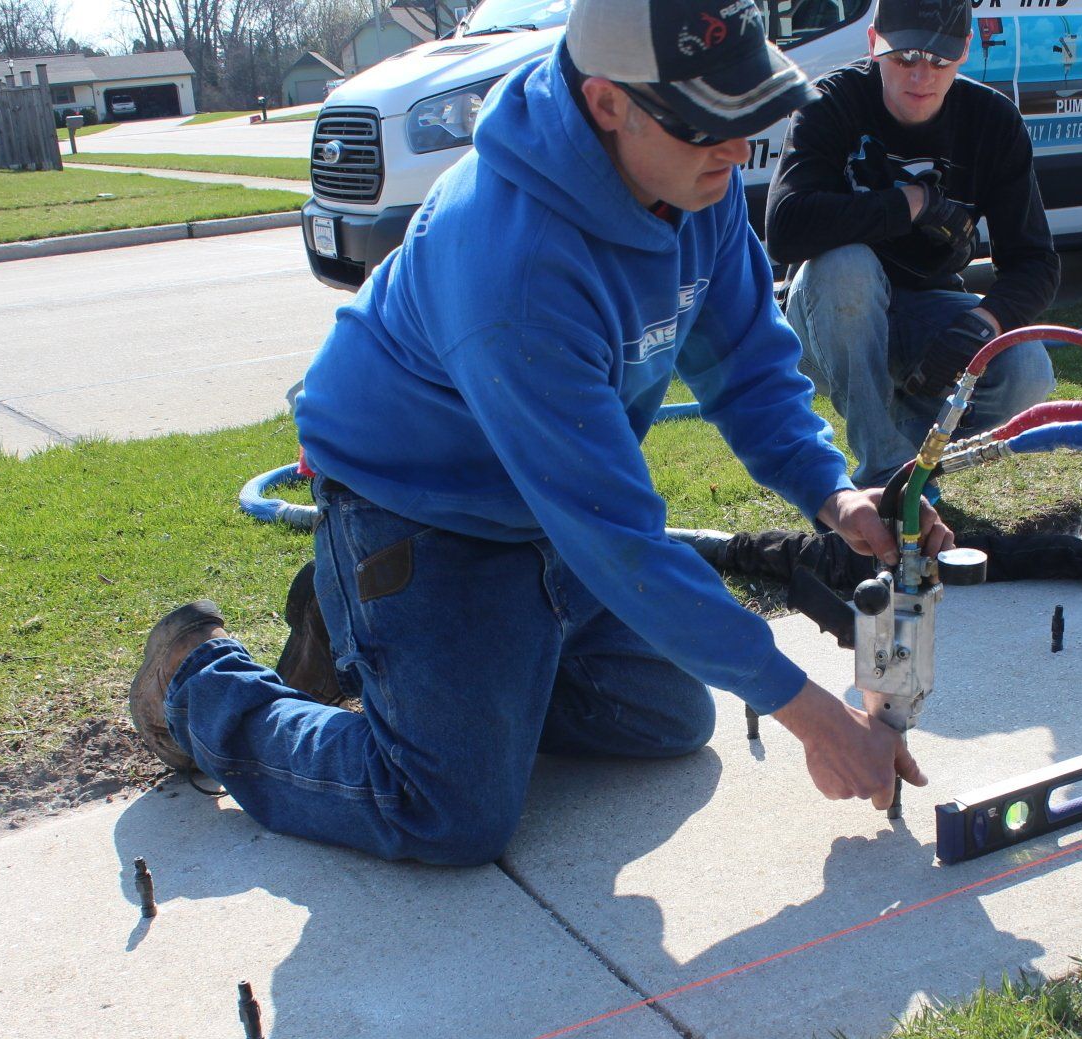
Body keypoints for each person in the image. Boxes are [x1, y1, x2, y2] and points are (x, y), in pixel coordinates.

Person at [126, 0, 955, 868]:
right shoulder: (513, 266)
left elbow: (747, 367)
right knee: (449, 809)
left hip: (540, 506)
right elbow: (617, 542)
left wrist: (835, 496)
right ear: (608, 102)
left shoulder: (691, 180)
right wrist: (816, 719)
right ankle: (202, 680)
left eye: (750, 114)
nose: (738, 148)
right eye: (708, 123)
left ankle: (402, 647)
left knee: (668, 717)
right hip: (415, 505)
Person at [765, 0, 1063, 488]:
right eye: (904, 58)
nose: (921, 76)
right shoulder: (830, 102)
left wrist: (980, 326)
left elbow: (1035, 263)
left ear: (965, 51)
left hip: (925, 310)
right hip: (821, 319)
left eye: (940, 61)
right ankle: (882, 471)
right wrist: (911, 203)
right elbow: (785, 229)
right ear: (873, 44)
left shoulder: (993, 121)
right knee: (848, 266)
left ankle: (912, 460)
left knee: (1027, 367)